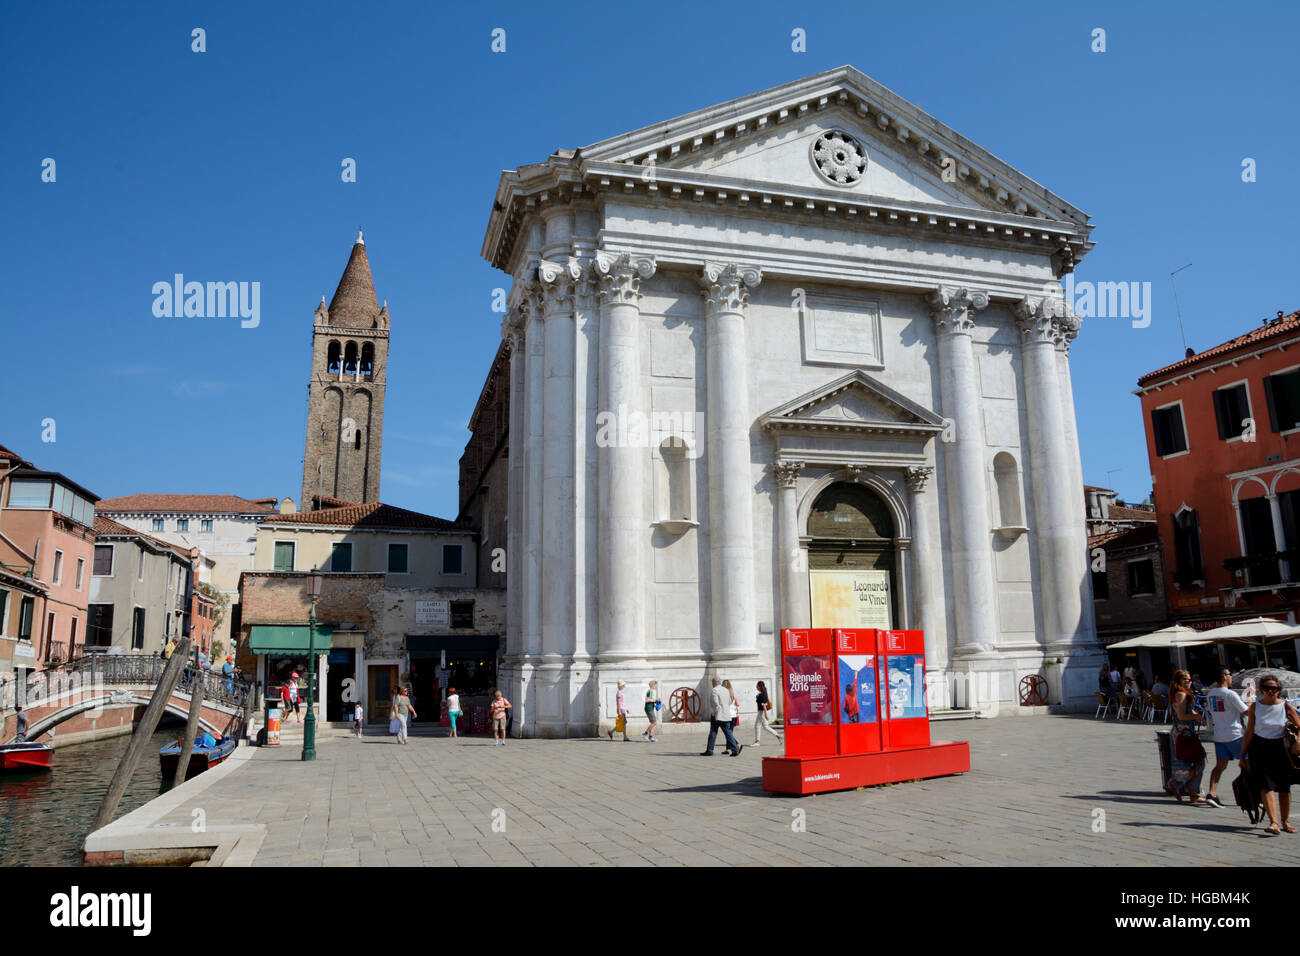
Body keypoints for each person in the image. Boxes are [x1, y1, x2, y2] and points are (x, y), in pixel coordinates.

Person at [1239, 674, 1300, 834]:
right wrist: (1243, 754)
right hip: (1259, 748)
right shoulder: (1255, 707)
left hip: (1281, 749)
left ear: (1279, 690)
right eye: (1267, 688)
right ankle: (1274, 822)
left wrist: (1298, 742)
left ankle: (1285, 822)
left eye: (1274, 688)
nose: (1271, 691)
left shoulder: (1286, 706)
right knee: (1265, 785)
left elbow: (1299, 726)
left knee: (1284, 788)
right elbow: (1249, 732)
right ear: (1261, 690)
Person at [1204, 667, 1248, 808]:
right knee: (1248, 763)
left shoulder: (1211, 694)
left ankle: (1212, 793)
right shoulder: (1230, 694)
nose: (1232, 677)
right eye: (1230, 675)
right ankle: (1252, 794)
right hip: (1234, 734)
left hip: (1219, 735)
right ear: (1224, 677)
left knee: (1220, 765)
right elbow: (1247, 712)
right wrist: (1250, 699)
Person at [1166, 670, 1207, 804]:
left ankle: (1193, 794)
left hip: (1181, 732)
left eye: (1190, 680)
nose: (1189, 682)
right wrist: (1196, 716)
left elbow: (1185, 711)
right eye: (1186, 680)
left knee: (1187, 763)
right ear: (1179, 681)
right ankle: (1176, 783)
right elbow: (1182, 716)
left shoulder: (1178, 694)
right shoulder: (1181, 694)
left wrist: (1196, 715)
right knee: (1199, 761)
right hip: (1184, 733)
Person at [701, 676, 742, 757]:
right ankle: (735, 750)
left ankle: (709, 750)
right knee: (728, 733)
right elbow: (730, 702)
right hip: (726, 714)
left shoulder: (714, 690)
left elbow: (715, 703)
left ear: (713, 683)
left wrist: (714, 712)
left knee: (713, 732)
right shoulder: (726, 690)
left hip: (717, 714)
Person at [754, 680, 782, 745]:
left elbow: (764, 705)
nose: (756, 687)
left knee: (757, 726)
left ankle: (757, 742)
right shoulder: (763, 694)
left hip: (762, 712)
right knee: (765, 726)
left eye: (757, 685)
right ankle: (777, 735)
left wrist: (766, 715)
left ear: (759, 686)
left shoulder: (761, 695)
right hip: (762, 712)